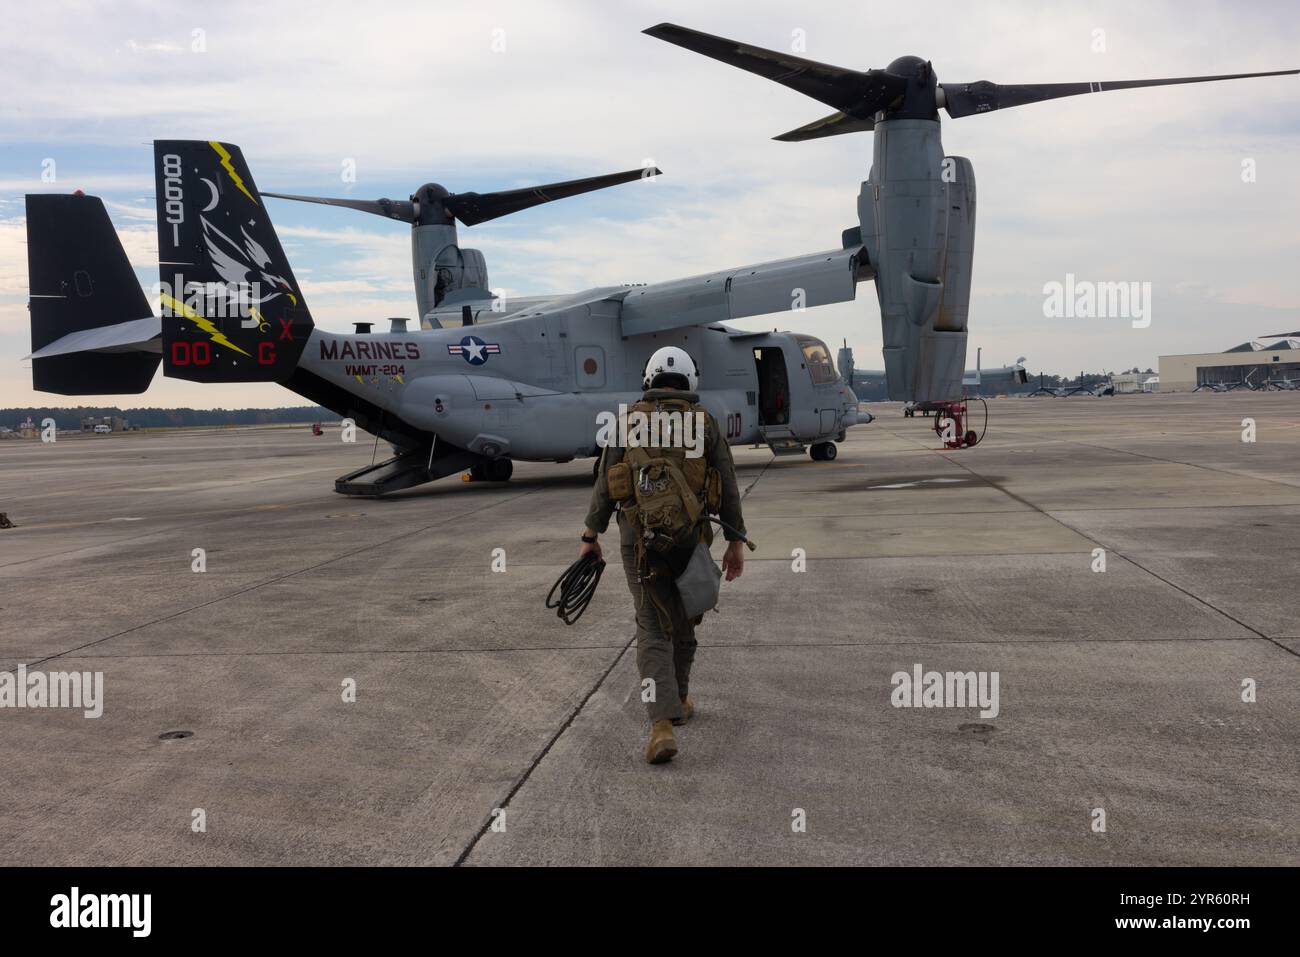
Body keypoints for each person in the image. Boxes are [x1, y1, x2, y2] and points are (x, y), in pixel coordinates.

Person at [579, 346, 747, 765]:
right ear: (690, 381)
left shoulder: (628, 421)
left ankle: (661, 724)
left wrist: (589, 535)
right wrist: (736, 542)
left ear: (649, 379)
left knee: (652, 626)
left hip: (638, 542)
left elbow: (604, 485)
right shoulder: (703, 423)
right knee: (686, 615)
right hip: (691, 539)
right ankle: (682, 698)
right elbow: (726, 483)